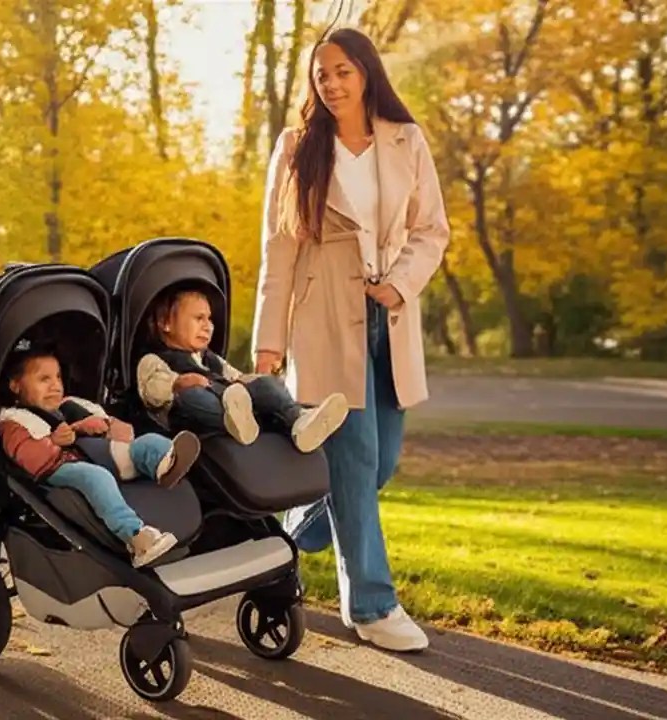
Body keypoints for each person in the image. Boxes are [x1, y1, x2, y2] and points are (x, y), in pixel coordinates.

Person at [251, 28, 449, 652]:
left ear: (366, 71)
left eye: (342, 72)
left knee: (379, 463)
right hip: (319, 323)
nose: (330, 84)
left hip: (387, 316)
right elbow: (278, 251)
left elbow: (432, 230)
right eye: (321, 76)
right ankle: (370, 603)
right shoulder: (295, 148)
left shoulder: (406, 139)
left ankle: (293, 530)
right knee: (357, 461)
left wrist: (398, 285)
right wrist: (268, 342)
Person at [0, 342, 202, 568]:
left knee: (144, 444)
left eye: (58, 377)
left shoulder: (70, 406)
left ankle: (164, 462)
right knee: (96, 477)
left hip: (102, 453)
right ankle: (136, 538)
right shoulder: (15, 421)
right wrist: (53, 442)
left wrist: (106, 425)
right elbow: (28, 457)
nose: (55, 385)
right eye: (44, 379)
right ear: (15, 386)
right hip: (60, 466)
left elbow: (114, 428)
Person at [136, 286, 348, 451]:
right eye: (198, 318)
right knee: (192, 396)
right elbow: (152, 388)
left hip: (235, 403)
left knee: (262, 383)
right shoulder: (154, 359)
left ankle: (299, 421)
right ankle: (234, 420)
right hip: (196, 418)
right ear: (166, 323)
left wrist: (252, 385)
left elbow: (237, 377)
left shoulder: (213, 360)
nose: (208, 326)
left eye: (209, 319)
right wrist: (177, 383)